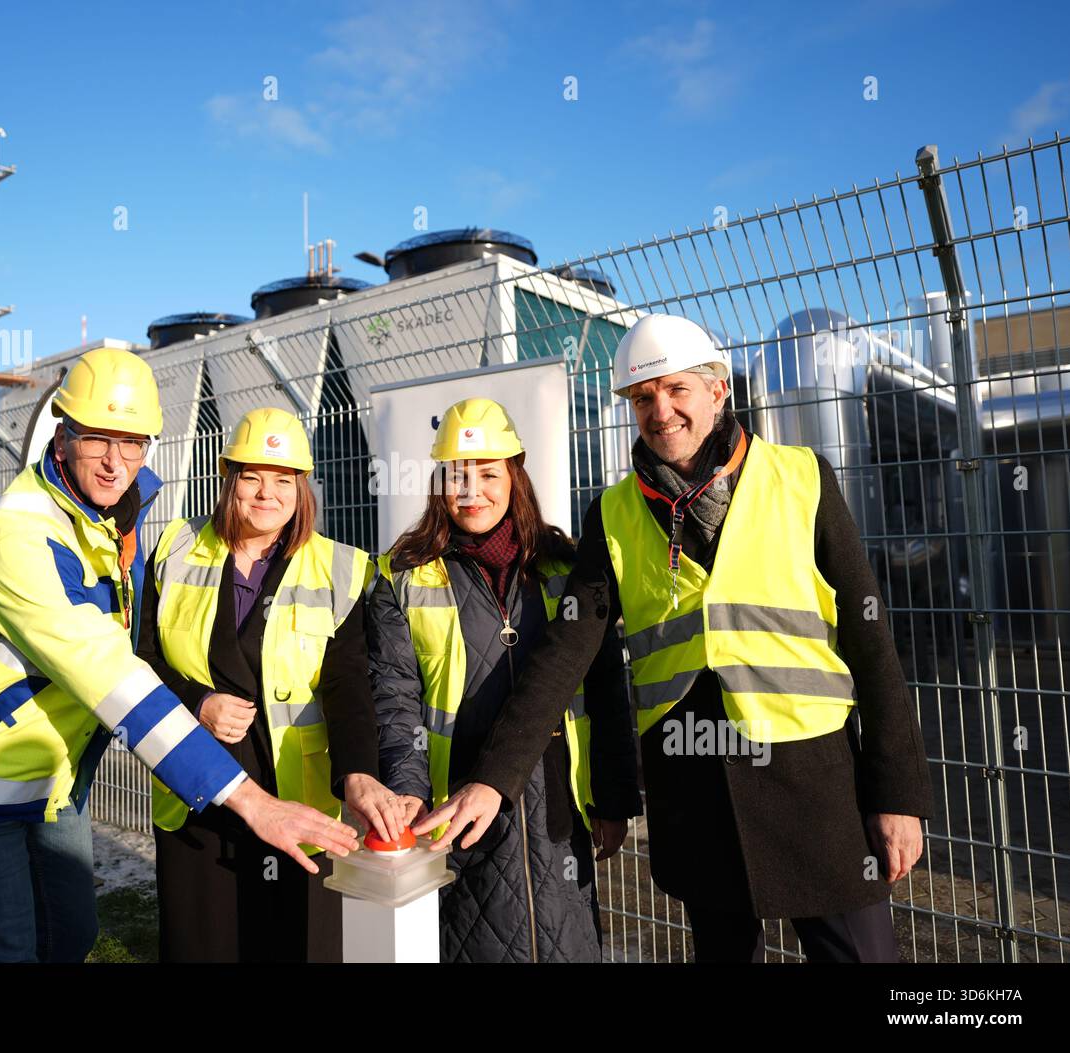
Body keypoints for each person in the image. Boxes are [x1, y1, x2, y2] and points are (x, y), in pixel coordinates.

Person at [418, 315, 936, 963]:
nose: (659, 411)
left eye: (676, 390)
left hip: (816, 792)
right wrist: (494, 779)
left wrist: (897, 795)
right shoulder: (613, 514)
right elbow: (560, 660)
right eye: (642, 398)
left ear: (718, 391)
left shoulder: (803, 478)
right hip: (696, 797)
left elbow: (871, 642)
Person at [0, 350, 357, 963]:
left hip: (52, 774)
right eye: (98, 440)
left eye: (134, 443)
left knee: (70, 936)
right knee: (6, 950)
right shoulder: (21, 537)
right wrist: (252, 800)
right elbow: (114, 674)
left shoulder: (112, 519)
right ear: (63, 438)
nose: (117, 462)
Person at [370, 398, 642, 963]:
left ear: (515, 477)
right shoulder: (402, 575)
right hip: (453, 809)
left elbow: (607, 688)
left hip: (557, 809)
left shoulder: (568, 568)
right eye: (456, 475)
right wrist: (408, 793)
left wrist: (613, 797)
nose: (472, 490)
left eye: (488, 474)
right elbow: (394, 697)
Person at [139, 406, 403, 963]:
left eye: (283, 479)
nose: (267, 493)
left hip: (297, 800)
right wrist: (198, 703)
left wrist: (357, 774)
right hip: (198, 789)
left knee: (295, 945)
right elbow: (140, 660)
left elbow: (349, 687)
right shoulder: (173, 549)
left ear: (302, 488)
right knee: (204, 944)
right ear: (228, 478)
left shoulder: (341, 568)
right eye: (252, 477)